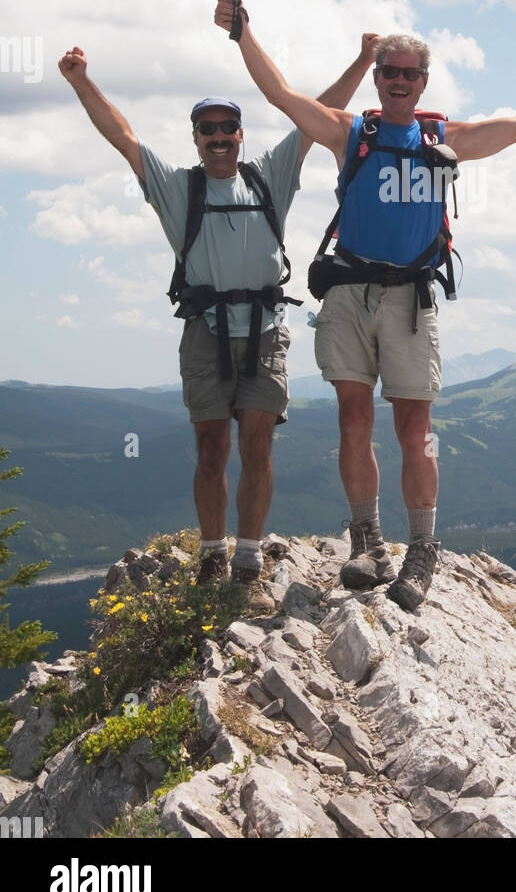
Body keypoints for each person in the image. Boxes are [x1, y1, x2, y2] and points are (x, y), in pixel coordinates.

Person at [214, 0, 516, 612]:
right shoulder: (353, 133)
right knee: (353, 418)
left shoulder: (442, 137)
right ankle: (367, 541)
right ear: (377, 79)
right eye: (389, 72)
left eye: (409, 73)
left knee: (414, 428)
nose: (399, 81)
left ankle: (422, 549)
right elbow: (280, 95)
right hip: (349, 293)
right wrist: (244, 33)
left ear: (423, 81)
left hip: (410, 297)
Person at [58, 35, 380, 613]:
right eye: (207, 129)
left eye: (226, 127)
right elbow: (124, 138)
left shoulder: (267, 177)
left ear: (239, 134)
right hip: (207, 329)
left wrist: (361, 60)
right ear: (196, 139)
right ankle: (213, 555)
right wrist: (82, 81)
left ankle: (248, 560)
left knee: (257, 444)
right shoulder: (178, 187)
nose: (218, 137)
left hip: (264, 329)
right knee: (211, 448)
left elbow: (317, 117)